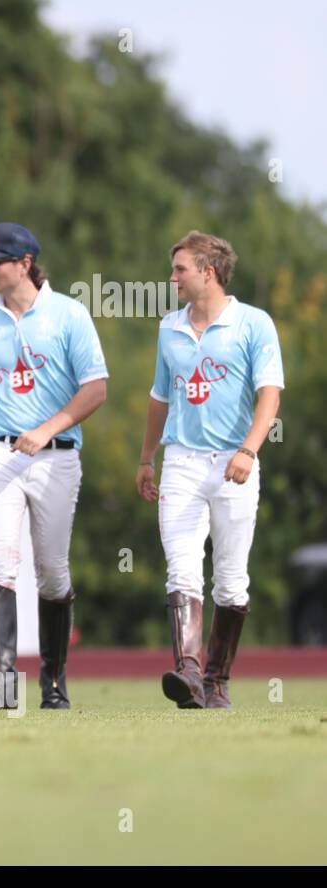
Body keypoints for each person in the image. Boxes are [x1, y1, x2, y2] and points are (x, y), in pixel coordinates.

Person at [0, 223, 108, 709]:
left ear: (24, 264)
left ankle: (54, 681)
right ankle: (1, 683)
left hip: (57, 457)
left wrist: (47, 428)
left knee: (53, 572)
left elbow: (96, 389)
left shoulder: (69, 315)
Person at [136, 231, 283, 709]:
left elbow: (269, 395)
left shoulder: (253, 324)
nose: (172, 277)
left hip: (233, 464)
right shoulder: (168, 328)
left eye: (180, 269)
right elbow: (160, 398)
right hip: (181, 460)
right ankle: (190, 672)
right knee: (181, 569)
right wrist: (146, 457)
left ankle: (216, 681)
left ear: (208, 271)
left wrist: (249, 450)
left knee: (231, 580)